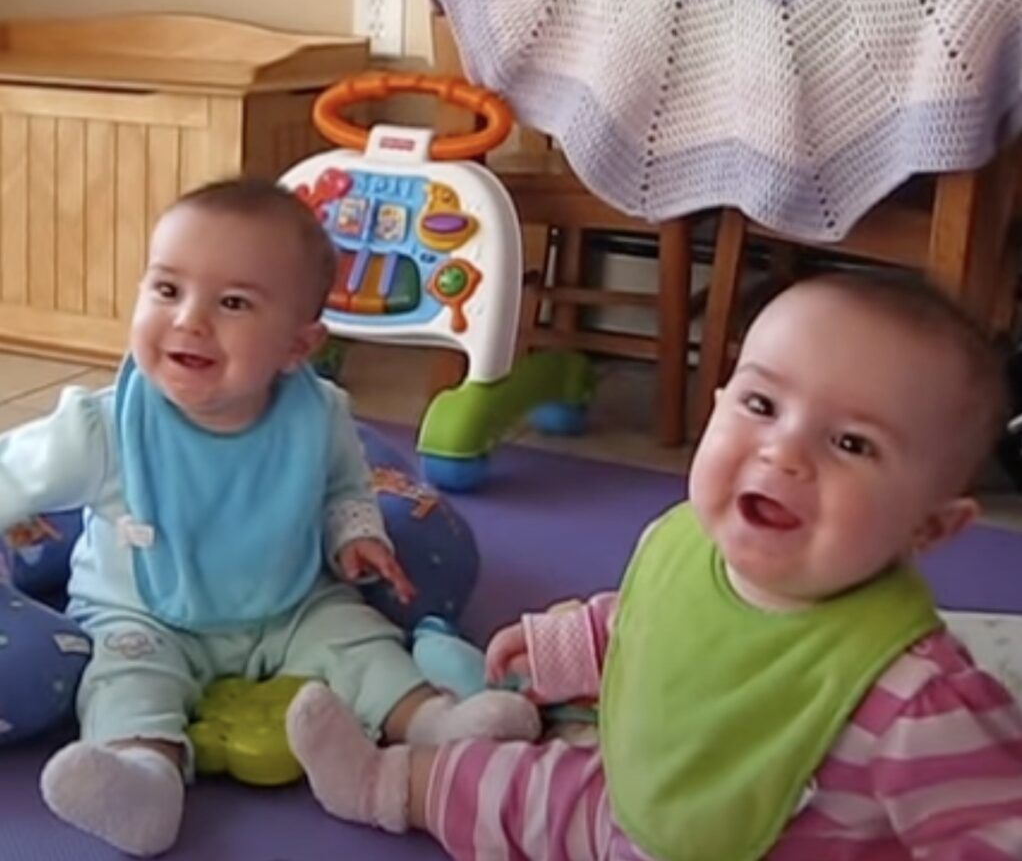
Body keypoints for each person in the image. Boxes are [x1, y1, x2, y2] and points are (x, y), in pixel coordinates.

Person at [284, 271, 1022, 860]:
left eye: (853, 444)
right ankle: (383, 781)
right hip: (624, 803)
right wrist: (568, 646)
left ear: (930, 526)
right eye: (762, 403)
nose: (783, 452)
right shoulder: (686, 541)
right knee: (511, 786)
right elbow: (654, 617)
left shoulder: (919, 701)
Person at [0, 178, 539, 857]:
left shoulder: (318, 417)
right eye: (166, 289)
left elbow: (347, 486)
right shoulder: (105, 426)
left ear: (296, 345)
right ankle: (143, 776)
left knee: (361, 641)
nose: (189, 320)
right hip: (142, 610)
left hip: (290, 605)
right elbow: (10, 475)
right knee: (124, 678)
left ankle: (436, 722)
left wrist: (358, 535)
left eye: (232, 303)